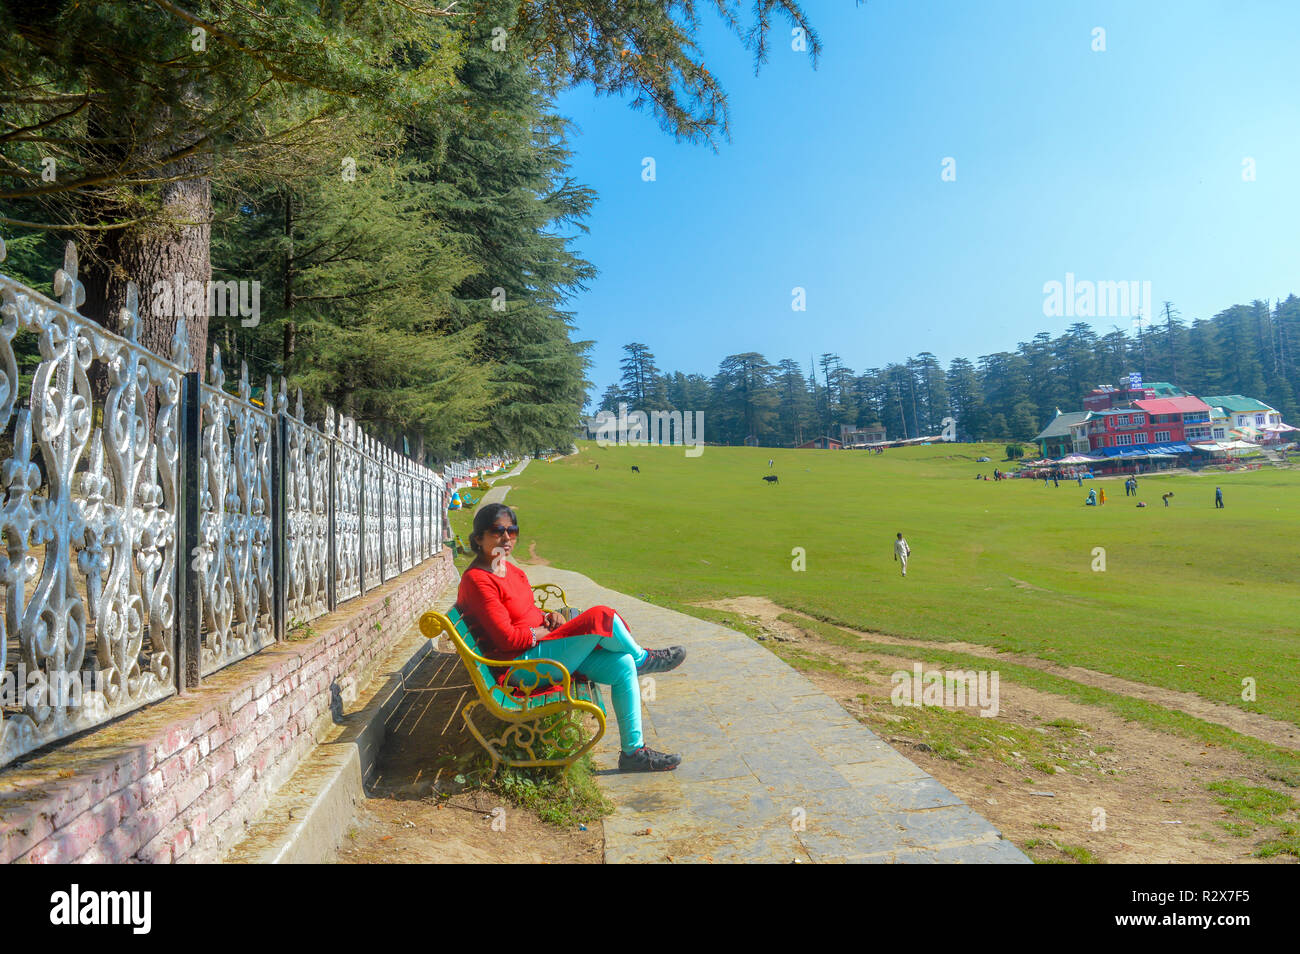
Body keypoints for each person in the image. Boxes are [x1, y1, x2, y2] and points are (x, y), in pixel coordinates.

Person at [456, 503, 685, 772]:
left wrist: (547, 616)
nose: (507, 538)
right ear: (478, 538)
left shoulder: (510, 570)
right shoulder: (479, 580)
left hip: (541, 652)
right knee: (602, 617)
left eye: (512, 531)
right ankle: (644, 659)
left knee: (622, 665)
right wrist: (540, 631)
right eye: (498, 531)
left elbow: (525, 611)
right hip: (520, 666)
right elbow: (506, 639)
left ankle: (633, 753)